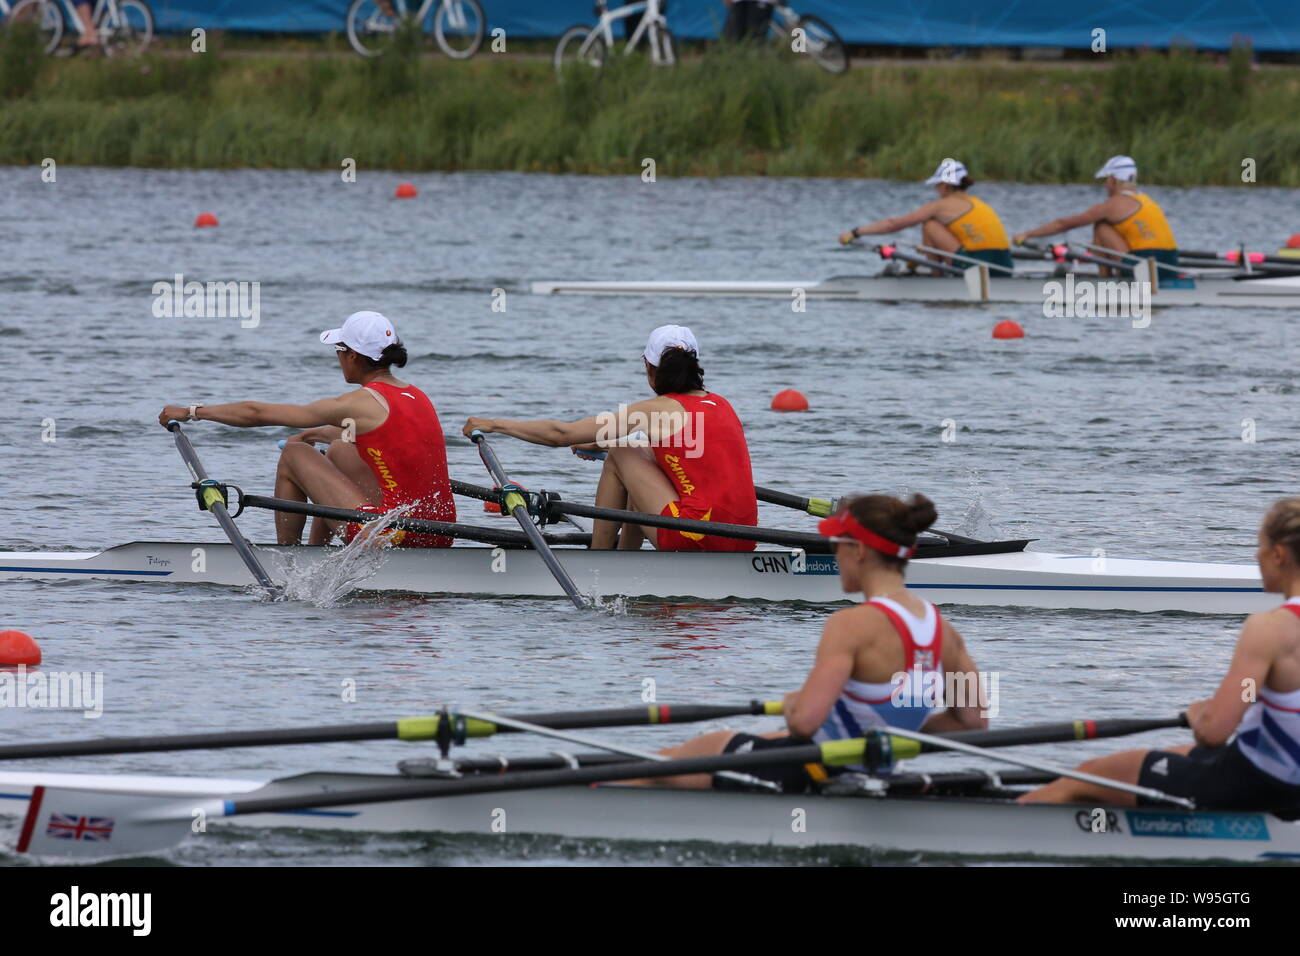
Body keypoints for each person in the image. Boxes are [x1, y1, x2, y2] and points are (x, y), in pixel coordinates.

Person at [629, 493, 987, 792]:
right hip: (876, 770)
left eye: (837, 543)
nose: (835, 553)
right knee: (697, 752)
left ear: (859, 550)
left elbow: (804, 724)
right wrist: (888, 735)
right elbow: (973, 722)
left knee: (657, 768)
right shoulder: (945, 632)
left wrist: (795, 706)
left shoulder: (850, 625)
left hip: (812, 772)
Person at [1021, 497, 1300, 812]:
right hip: (1279, 773)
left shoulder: (1270, 628)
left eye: (1259, 547)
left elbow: (1213, 733)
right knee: (1179, 753)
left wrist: (1201, 716)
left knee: (1088, 775)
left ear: (1278, 555)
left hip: (1259, 786)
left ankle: (999, 828)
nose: (1256, 556)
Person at [158, 310, 456, 548]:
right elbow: (389, 443)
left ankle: (289, 557)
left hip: (394, 534)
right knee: (340, 450)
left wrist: (192, 412)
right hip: (439, 529)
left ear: (352, 355)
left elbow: (257, 413)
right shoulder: (415, 395)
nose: (337, 357)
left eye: (339, 349)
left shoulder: (358, 402)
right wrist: (320, 433)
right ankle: (319, 553)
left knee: (295, 453)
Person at [463, 325, 758, 552]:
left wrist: (494, 424)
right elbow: (672, 451)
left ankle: (602, 559)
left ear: (649, 367)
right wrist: (596, 443)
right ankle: (625, 559)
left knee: (621, 453)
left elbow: (561, 434)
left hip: (696, 537)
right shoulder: (721, 404)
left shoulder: (657, 410)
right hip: (744, 538)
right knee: (634, 450)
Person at [1012, 155, 1179, 279]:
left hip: (1144, 269)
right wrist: (1087, 252)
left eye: (1106, 180)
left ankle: (1105, 282)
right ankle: (1108, 278)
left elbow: (1063, 224)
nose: (1105, 185)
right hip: (1171, 264)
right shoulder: (1148, 201)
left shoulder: (1112, 205)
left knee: (1101, 226)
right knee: (1110, 230)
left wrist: (1027, 235)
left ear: (1114, 180)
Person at [840, 158, 1014, 272]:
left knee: (930, 225)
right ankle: (938, 271)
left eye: (937, 185)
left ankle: (936, 277)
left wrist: (855, 233)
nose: (936, 189)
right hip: (1005, 264)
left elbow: (893, 224)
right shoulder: (979, 203)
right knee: (940, 228)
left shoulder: (940, 206)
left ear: (945, 185)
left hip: (977, 268)